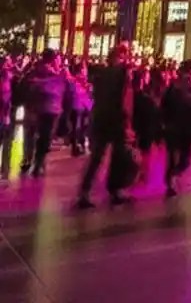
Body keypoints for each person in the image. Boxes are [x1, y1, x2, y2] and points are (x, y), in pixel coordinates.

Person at [76, 44, 136, 209]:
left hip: (101, 117)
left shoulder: (100, 73)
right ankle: (115, 189)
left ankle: (85, 192)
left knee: (97, 157)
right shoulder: (124, 72)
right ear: (122, 55)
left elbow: (96, 94)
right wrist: (127, 120)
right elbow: (125, 97)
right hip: (116, 119)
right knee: (118, 156)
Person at [21, 51, 68, 178]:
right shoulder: (45, 72)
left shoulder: (53, 73)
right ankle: (36, 163)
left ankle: (33, 161)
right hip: (44, 109)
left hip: (47, 109)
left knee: (39, 137)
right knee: (43, 137)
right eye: (57, 59)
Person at [160, 62, 191, 197]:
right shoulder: (172, 91)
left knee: (185, 158)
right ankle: (170, 181)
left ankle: (172, 176)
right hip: (175, 127)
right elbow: (163, 108)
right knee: (173, 156)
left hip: (187, 129)